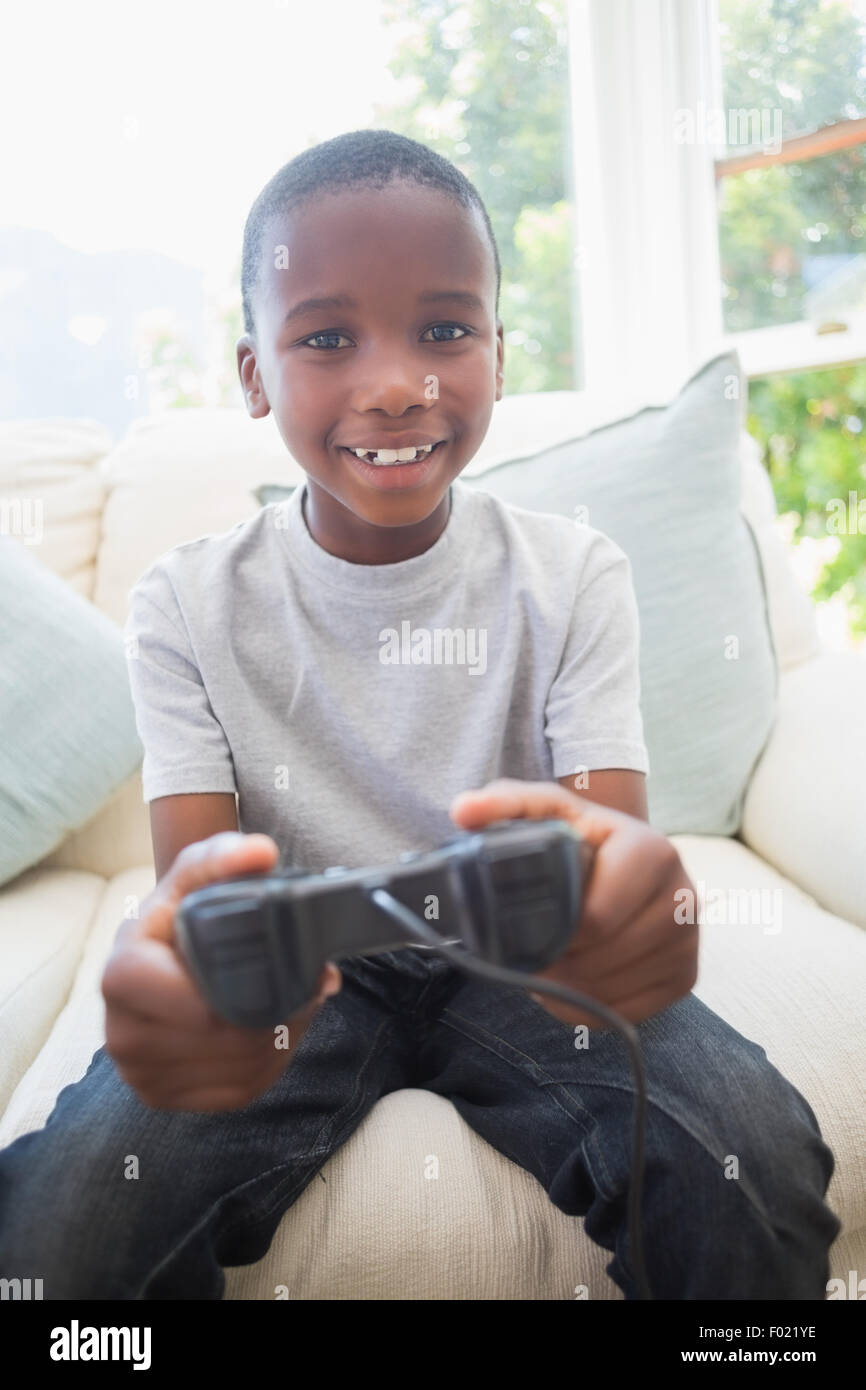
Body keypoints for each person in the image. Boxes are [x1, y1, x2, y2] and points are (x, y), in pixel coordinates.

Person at [0, 129, 840, 1300]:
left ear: (497, 351)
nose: (397, 383)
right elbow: (200, 890)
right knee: (65, 1226)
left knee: (749, 1164)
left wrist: (626, 910)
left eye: (444, 331)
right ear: (253, 374)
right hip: (300, 972)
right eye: (325, 337)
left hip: (523, 955)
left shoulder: (574, 573)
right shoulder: (185, 601)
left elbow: (611, 858)